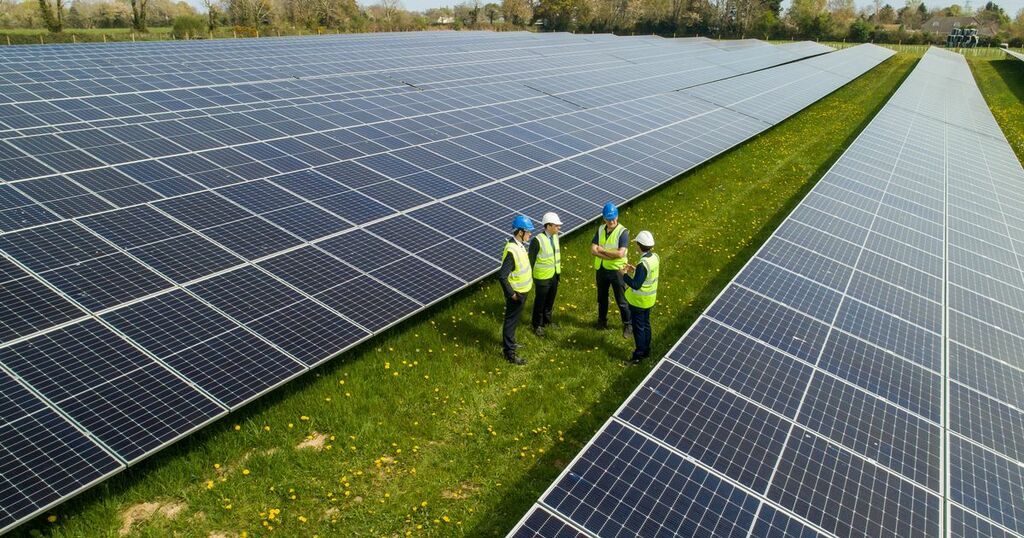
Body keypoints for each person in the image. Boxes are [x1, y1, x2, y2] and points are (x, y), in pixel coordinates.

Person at [591, 202, 631, 338]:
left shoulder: (623, 232)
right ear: (604, 219)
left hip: (617, 271)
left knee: (622, 300)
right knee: (602, 298)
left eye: (613, 218)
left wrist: (602, 251)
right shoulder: (601, 229)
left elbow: (620, 253)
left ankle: (628, 324)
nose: (611, 221)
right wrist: (609, 256)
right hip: (601, 270)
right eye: (608, 219)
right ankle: (602, 321)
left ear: (617, 216)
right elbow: (593, 250)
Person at [497, 215, 534, 365]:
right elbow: (502, 276)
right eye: (528, 231)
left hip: (523, 291)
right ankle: (509, 353)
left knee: (514, 320)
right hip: (517, 294)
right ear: (520, 232)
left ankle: (510, 342)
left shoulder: (520, 245)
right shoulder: (512, 250)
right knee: (511, 321)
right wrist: (511, 294)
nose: (530, 234)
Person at [620, 230, 659, 365]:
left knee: (639, 329)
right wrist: (636, 270)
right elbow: (647, 274)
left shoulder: (643, 264)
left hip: (639, 302)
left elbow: (636, 285)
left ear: (639, 245)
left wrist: (624, 274)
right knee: (646, 325)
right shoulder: (654, 257)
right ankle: (646, 350)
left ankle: (638, 355)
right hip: (649, 300)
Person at [529, 212, 562, 336]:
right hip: (542, 278)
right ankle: (537, 325)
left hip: (554, 275)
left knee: (550, 301)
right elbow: (531, 261)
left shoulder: (555, 237)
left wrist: (557, 274)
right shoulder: (537, 241)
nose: (559, 228)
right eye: (556, 225)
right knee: (540, 303)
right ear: (548, 226)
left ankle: (547, 321)